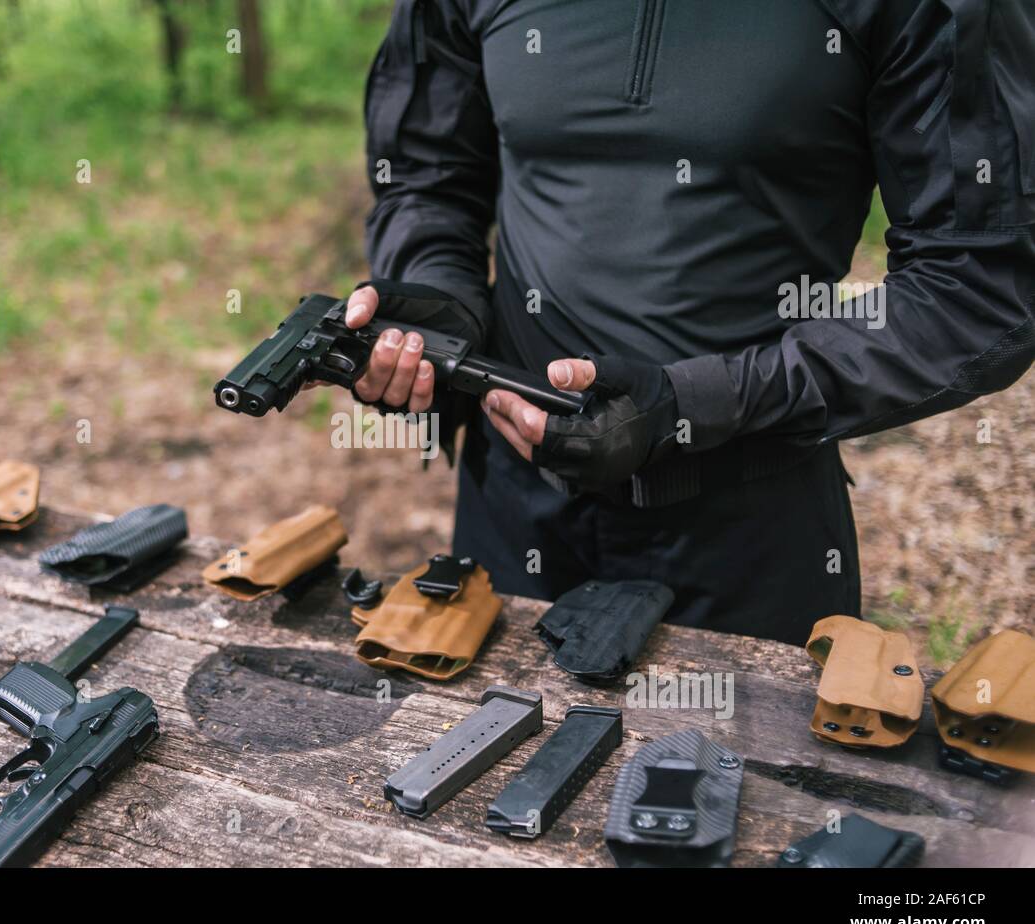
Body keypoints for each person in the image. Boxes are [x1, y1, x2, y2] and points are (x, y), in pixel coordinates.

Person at [338, 0, 1035, 645]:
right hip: (512, 511)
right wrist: (441, 300)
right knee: (481, 772)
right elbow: (426, 175)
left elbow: (977, 283)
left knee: (747, 779)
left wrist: (696, 403)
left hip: (749, 535)